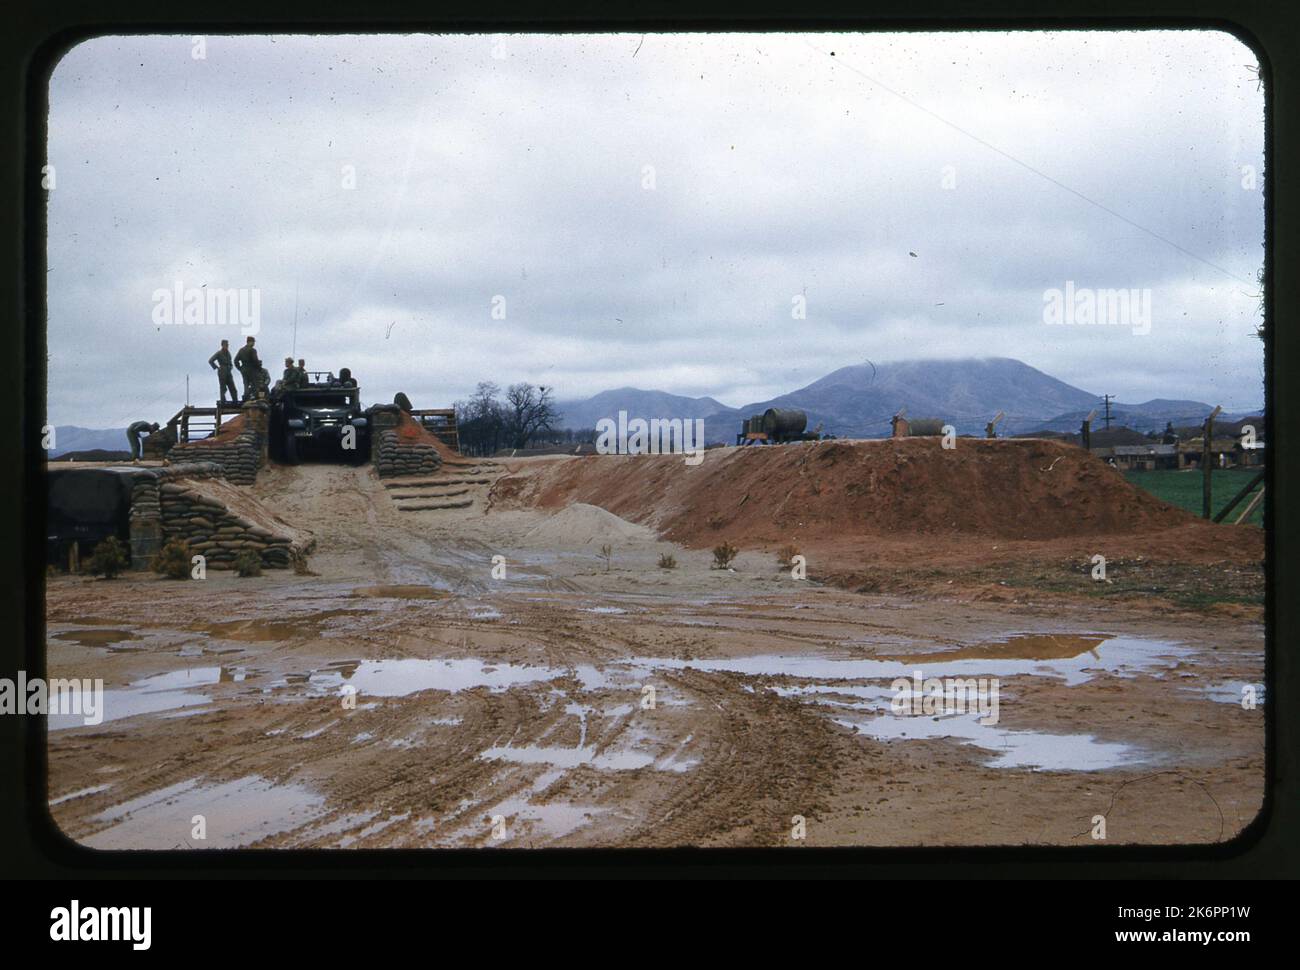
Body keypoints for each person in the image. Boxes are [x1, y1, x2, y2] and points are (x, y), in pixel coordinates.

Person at [208, 339, 238, 404]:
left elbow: (230, 362)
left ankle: (235, 401)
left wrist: (230, 367)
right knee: (223, 388)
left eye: (227, 345)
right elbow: (210, 360)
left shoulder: (228, 353)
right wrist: (217, 367)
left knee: (232, 387)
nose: (227, 346)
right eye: (225, 345)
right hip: (222, 371)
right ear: (222, 345)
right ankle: (223, 401)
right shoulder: (219, 353)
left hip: (228, 371)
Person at [234, 336, 262, 401]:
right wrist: (259, 368)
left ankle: (246, 398)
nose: (254, 344)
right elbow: (255, 360)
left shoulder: (241, 350)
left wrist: (240, 368)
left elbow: (235, 360)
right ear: (250, 342)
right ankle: (254, 399)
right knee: (255, 385)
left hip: (244, 369)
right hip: (252, 370)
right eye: (253, 342)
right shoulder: (252, 350)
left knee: (246, 385)